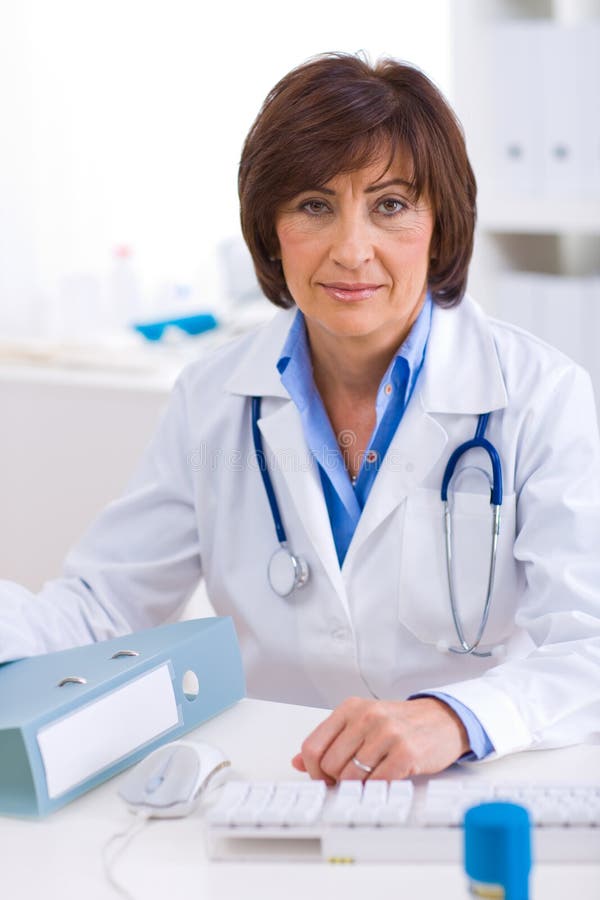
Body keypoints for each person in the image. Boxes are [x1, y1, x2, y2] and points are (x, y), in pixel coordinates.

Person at [1, 52, 599, 783]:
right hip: (272, 783)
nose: (352, 251)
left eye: (390, 205)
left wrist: (454, 716)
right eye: (315, 205)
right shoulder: (212, 396)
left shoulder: (540, 395)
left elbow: (588, 645)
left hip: (466, 782)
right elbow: (100, 609)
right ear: (270, 227)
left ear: (440, 224)